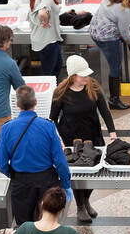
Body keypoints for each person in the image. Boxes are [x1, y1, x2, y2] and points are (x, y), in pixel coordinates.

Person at [49, 55, 116, 222]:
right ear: (73, 76)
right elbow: (52, 119)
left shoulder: (93, 88)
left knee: (94, 172)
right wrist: (59, 140)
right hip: (71, 138)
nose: (86, 77)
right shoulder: (61, 92)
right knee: (77, 174)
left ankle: (86, 200)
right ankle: (80, 206)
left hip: (92, 136)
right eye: (82, 75)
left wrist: (112, 132)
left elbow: (105, 111)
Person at [0, 84, 73, 226]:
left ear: (17, 104)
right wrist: (66, 184)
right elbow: (60, 160)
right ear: (35, 102)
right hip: (47, 181)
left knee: (24, 226)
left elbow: (0, 162)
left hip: (21, 182)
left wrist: (14, 175)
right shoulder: (48, 126)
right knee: (48, 223)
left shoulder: (7, 128)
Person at [89, 0, 130, 111]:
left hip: (95, 32)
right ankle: (114, 100)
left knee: (129, 32)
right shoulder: (122, 9)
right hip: (108, 39)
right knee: (115, 68)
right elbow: (125, 34)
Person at [26, 0, 63, 79]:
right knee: (50, 72)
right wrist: (45, 21)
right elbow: (42, 13)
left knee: (56, 66)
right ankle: (51, 93)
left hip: (44, 40)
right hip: (47, 41)